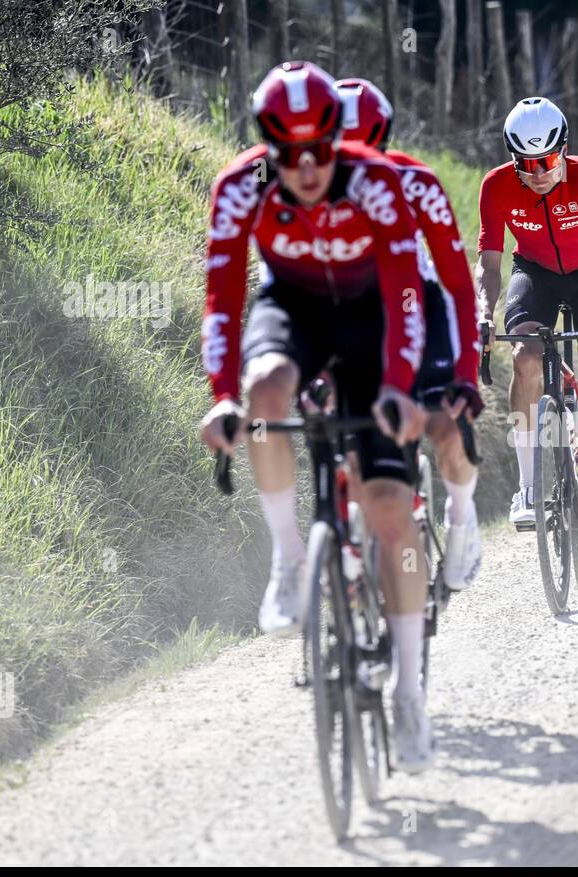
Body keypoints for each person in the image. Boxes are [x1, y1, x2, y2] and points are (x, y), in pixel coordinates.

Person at [197, 61, 435, 770]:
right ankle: (290, 560)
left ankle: (411, 693)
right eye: (287, 152)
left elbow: (407, 296)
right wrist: (223, 393)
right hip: (293, 307)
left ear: (339, 138)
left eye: (319, 151)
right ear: (267, 144)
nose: (305, 168)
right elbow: (222, 298)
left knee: (390, 511)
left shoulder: (376, 182)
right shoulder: (242, 185)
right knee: (266, 385)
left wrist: (398, 387)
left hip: (371, 319)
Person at [335, 77, 484, 591]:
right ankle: (349, 547)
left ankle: (462, 520)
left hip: (418, 305)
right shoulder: (304, 184)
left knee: (443, 426)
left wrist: (466, 373)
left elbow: (460, 288)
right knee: (342, 435)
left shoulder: (416, 182)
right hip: (351, 314)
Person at [475, 97, 578, 531]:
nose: (539, 174)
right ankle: (526, 487)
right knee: (525, 357)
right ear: (513, 158)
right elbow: (489, 264)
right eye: (527, 164)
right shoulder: (496, 185)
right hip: (535, 273)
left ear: (563, 150)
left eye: (547, 161)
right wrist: (484, 316)